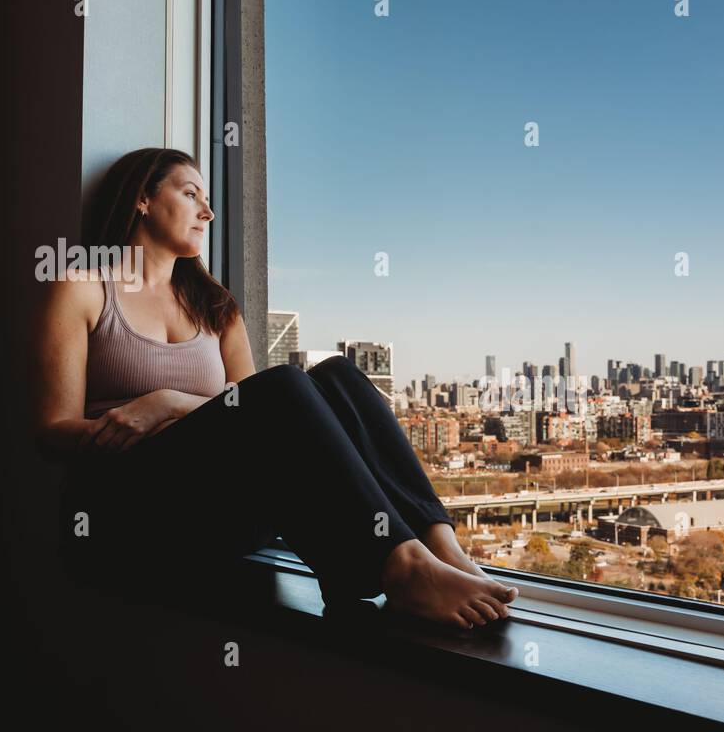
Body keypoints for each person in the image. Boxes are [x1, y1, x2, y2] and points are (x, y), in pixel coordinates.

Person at [34, 147, 516, 629]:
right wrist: (124, 429)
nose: (208, 210)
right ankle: (404, 570)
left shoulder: (215, 307)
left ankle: (441, 550)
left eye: (209, 198)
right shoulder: (83, 287)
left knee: (337, 375)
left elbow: (252, 418)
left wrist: (169, 402)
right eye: (190, 193)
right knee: (285, 385)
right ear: (142, 199)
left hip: (220, 510)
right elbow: (51, 431)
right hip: (131, 511)